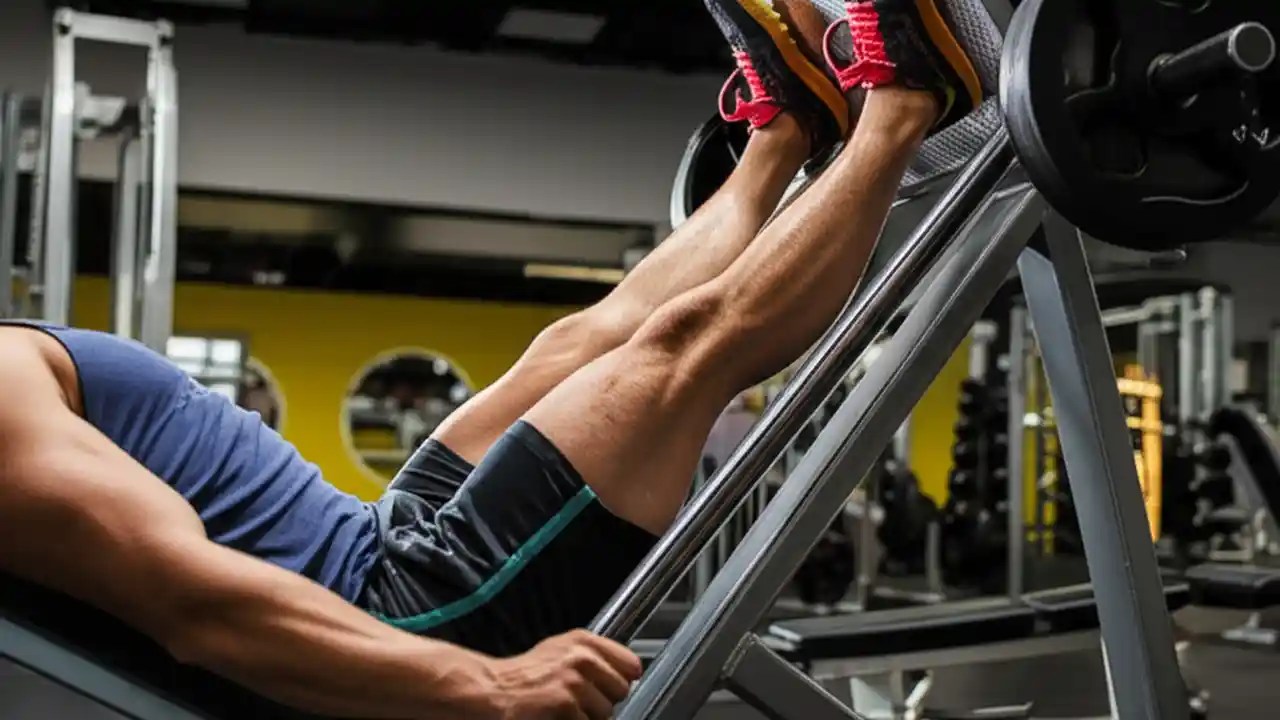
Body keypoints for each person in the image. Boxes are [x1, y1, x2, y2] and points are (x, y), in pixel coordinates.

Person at [0, 0, 983, 717]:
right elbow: (191, 609)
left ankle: (788, 132)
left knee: (583, 339)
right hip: (407, 615)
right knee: (681, 350)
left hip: (374, 546)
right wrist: (488, 685)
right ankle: (907, 101)